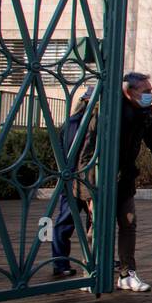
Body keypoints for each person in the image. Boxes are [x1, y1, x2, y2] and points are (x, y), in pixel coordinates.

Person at [113, 71, 152, 291]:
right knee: (96, 226)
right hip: (98, 177)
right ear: (129, 91)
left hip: (125, 176)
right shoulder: (109, 108)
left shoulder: (146, 112)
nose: (151, 95)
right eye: (146, 91)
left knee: (128, 222)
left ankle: (127, 273)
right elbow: (87, 148)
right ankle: (91, 271)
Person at [50, 86, 96, 278]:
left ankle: (92, 259)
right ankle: (61, 262)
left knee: (92, 222)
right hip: (77, 178)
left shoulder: (73, 122)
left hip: (84, 178)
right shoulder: (74, 124)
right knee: (68, 221)